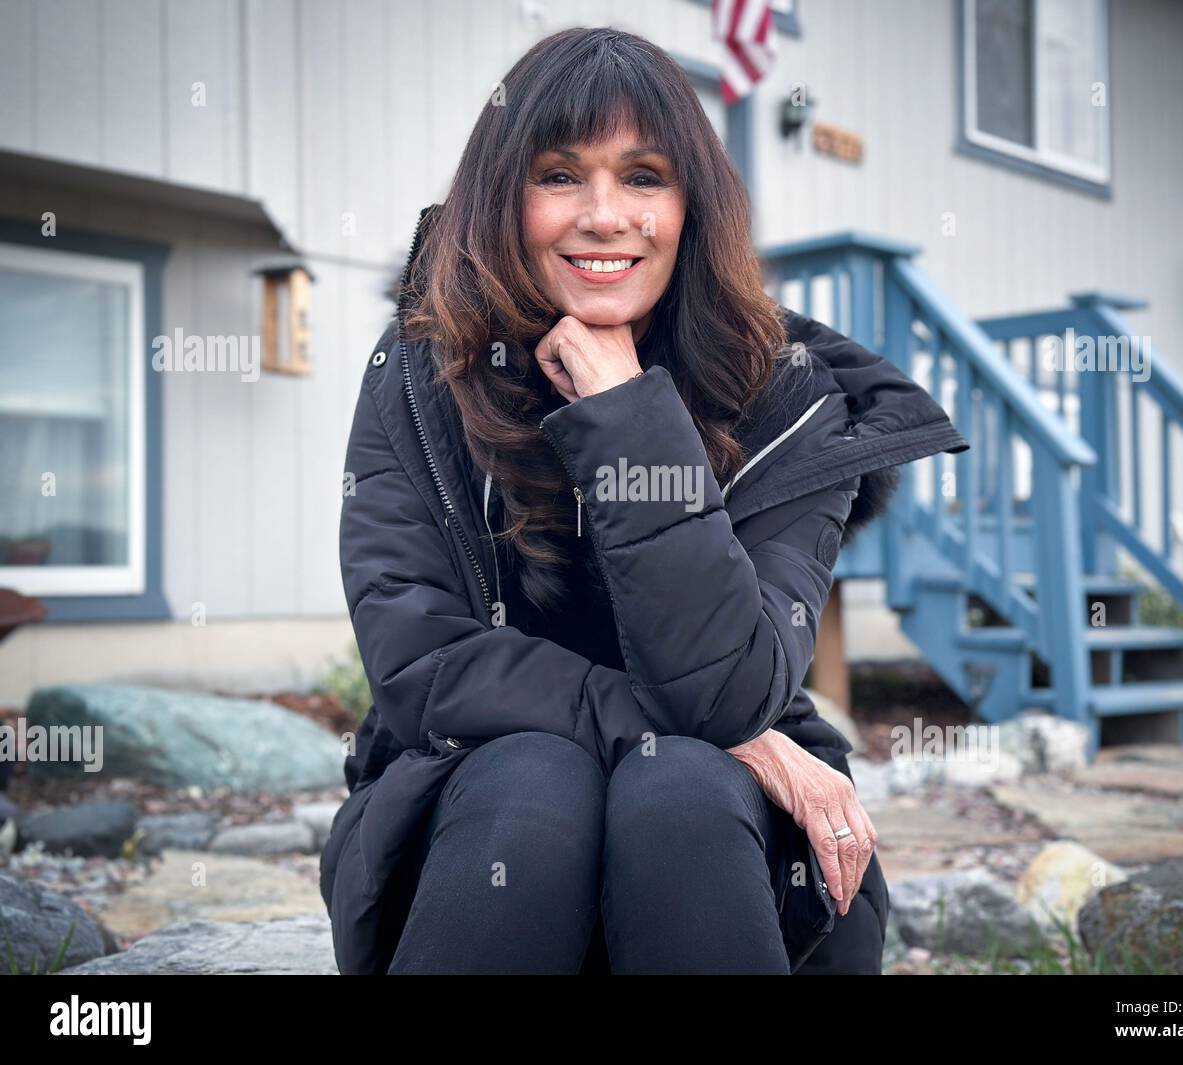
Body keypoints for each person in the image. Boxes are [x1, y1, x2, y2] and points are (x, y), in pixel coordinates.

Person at [319, 26, 967, 975]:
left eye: (644, 176)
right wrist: (727, 739)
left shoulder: (790, 401)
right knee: (535, 773)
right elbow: (422, 665)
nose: (604, 215)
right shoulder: (424, 374)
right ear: (504, 197)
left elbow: (729, 695)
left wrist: (628, 417)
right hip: (468, 836)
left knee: (678, 790)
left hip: (724, 849)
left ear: (691, 204)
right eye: (559, 175)